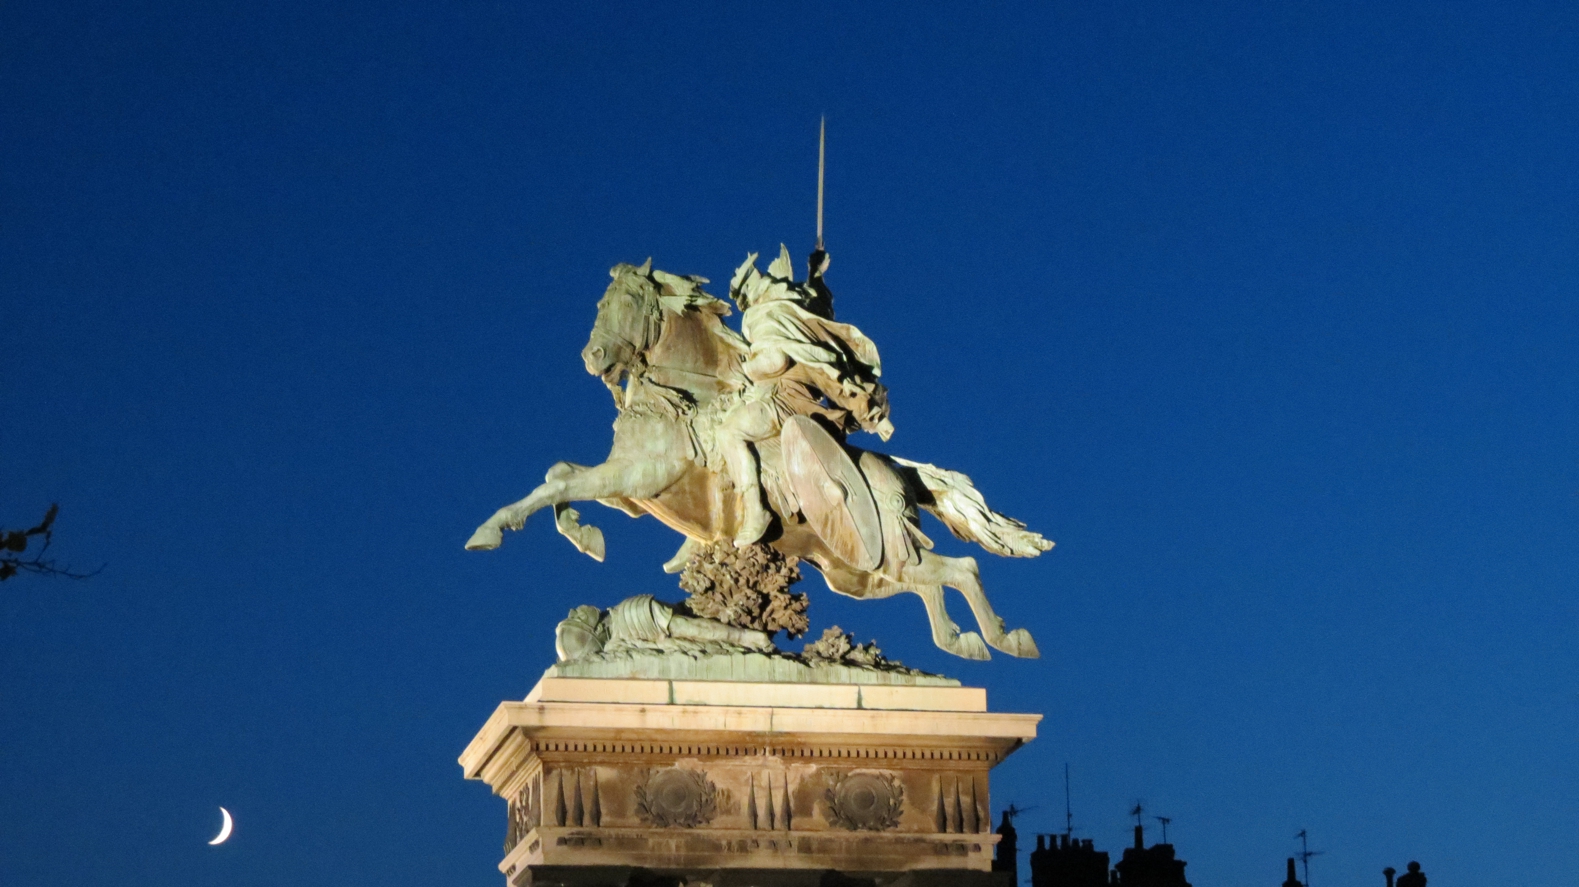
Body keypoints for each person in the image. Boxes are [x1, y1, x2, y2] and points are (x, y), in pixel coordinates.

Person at [717, 245, 894, 547]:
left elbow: (779, 362)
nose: (761, 278)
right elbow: (818, 306)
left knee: (728, 433)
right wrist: (815, 276)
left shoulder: (771, 318)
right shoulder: (787, 310)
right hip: (783, 399)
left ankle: (755, 512)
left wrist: (745, 368)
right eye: (755, 277)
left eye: (755, 277)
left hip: (783, 402)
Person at [554, 595, 774, 661]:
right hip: (634, 619)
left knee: (687, 627)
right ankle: (745, 637)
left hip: (635, 614)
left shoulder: (622, 615)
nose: (574, 611)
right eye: (579, 618)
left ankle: (746, 637)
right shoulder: (613, 646)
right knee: (689, 631)